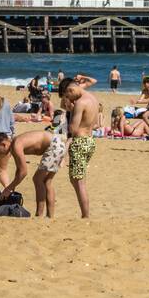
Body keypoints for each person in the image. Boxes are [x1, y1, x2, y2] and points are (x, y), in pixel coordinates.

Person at [3, 127, 65, 217]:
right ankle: (50, 216)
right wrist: (12, 187)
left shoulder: (16, 145)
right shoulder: (15, 144)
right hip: (58, 145)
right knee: (47, 182)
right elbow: (19, 169)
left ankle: (39, 215)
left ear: (3, 144)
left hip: (54, 146)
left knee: (37, 179)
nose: (0, 154)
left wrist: (8, 188)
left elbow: (23, 172)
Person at [60, 77, 99, 217]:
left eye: (67, 96)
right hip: (90, 140)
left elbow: (73, 129)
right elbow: (94, 124)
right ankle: (85, 213)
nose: (68, 99)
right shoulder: (93, 98)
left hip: (80, 142)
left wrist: (70, 110)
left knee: (79, 182)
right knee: (77, 179)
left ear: (70, 90)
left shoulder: (80, 103)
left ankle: (85, 215)